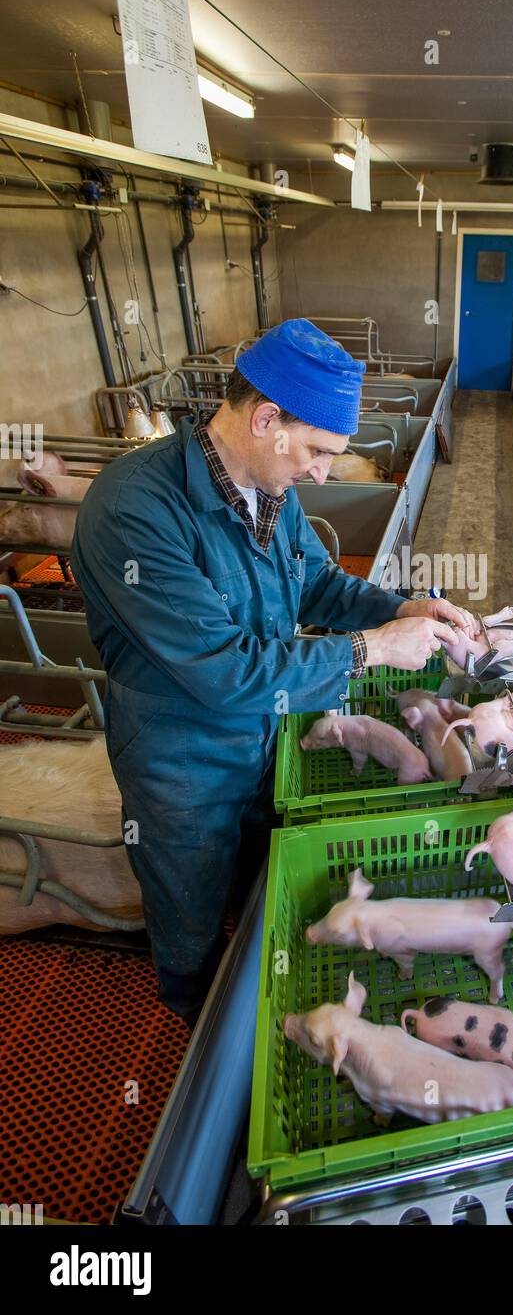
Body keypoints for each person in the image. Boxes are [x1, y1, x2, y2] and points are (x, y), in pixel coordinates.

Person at [71, 318, 478, 1025]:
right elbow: (224, 669)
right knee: (189, 901)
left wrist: (401, 603)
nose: (322, 472)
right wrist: (372, 649)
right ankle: (194, 1019)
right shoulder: (134, 510)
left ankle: (254, 985)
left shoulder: (270, 490)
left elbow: (318, 588)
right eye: (318, 451)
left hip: (270, 731)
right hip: (184, 757)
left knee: (261, 874)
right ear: (267, 419)